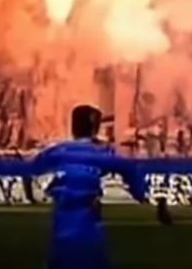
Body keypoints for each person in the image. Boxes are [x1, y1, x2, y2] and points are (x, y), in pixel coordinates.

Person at [25, 104, 149, 269]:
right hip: (87, 223)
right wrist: (140, 194)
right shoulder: (100, 154)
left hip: (61, 223)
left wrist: (32, 196)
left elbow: (28, 171)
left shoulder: (57, 151)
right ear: (94, 128)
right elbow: (130, 169)